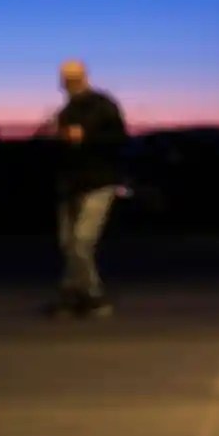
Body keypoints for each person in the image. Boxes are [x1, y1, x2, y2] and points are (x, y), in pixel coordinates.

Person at [45, 59, 127, 319]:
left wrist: (86, 136)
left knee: (81, 241)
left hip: (99, 183)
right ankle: (72, 294)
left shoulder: (103, 105)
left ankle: (92, 295)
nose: (68, 83)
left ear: (84, 77)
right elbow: (61, 150)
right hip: (71, 186)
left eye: (73, 77)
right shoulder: (65, 112)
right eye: (65, 78)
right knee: (69, 244)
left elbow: (119, 139)